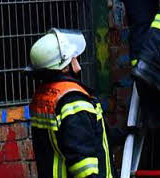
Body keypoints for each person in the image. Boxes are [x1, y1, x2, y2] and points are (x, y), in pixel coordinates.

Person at [28, 28, 112, 178]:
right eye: (74, 59)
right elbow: (84, 167)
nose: (78, 66)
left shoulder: (44, 96)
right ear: (64, 67)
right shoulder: (74, 101)